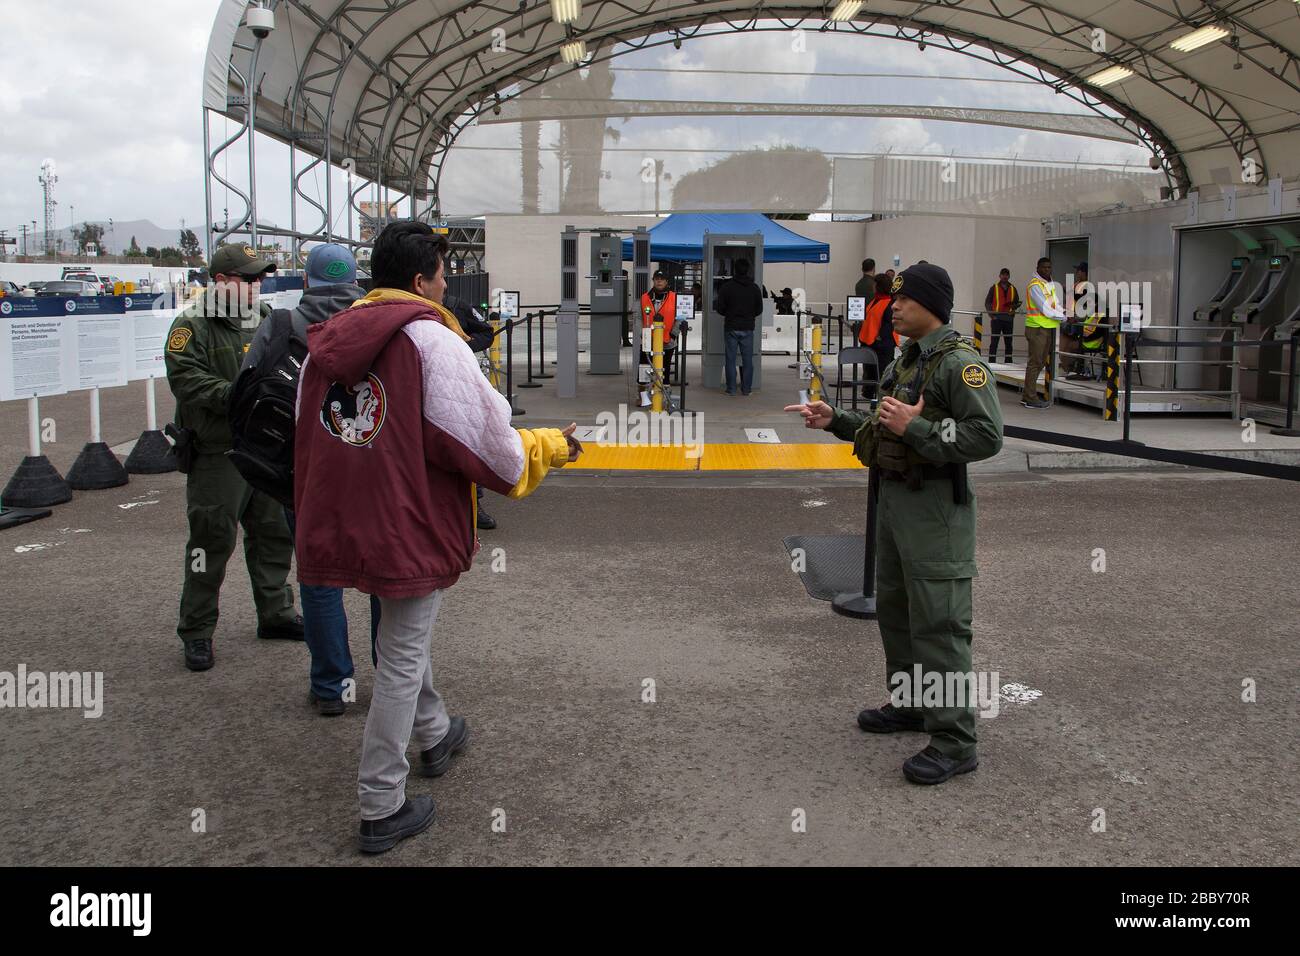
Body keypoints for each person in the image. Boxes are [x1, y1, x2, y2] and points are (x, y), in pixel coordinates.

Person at [293, 221, 581, 854]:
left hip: (340, 515)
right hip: (406, 522)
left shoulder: (328, 342)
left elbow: (307, 436)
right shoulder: (431, 341)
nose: (448, 287)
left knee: (403, 639)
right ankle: (380, 801)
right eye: (444, 276)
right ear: (422, 281)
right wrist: (555, 446)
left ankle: (435, 732)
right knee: (399, 654)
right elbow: (492, 449)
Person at [785, 263, 1003, 786]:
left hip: (934, 517)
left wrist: (920, 426)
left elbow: (987, 435)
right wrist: (834, 418)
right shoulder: (908, 361)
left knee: (940, 628)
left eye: (905, 300)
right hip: (895, 510)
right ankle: (911, 705)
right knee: (899, 617)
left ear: (932, 306)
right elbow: (882, 426)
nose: (895, 307)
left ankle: (954, 741)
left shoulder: (960, 365)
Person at [165, 244, 302, 672]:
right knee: (211, 539)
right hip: (218, 453)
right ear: (222, 282)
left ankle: (275, 613)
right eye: (248, 278)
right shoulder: (191, 325)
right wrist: (242, 398)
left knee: (273, 532)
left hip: (263, 449)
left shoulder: (265, 319)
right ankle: (197, 630)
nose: (257, 285)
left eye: (259, 278)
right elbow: (186, 380)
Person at [241, 243, 365, 713]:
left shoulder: (279, 325)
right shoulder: (381, 327)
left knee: (318, 579)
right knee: (380, 576)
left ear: (307, 281)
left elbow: (246, 392)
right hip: (367, 472)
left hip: (302, 473)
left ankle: (331, 687)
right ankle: (392, 674)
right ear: (355, 280)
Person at [442, 291, 500, 530]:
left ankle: (474, 505)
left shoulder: (458, 305)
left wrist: (464, 346)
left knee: (468, 444)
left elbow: (486, 332)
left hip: (460, 388)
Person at [714, 258, 763, 395]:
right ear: (748, 270)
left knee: (730, 359)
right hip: (748, 327)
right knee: (747, 360)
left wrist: (729, 314)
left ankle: (731, 389)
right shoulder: (754, 288)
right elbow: (759, 309)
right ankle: (746, 389)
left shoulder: (727, 287)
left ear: (734, 269)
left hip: (731, 327)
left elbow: (720, 308)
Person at [1022, 256, 1065, 408]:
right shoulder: (1035, 285)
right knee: (1035, 363)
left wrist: (1064, 312)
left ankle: (1028, 394)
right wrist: (1064, 317)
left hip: (1046, 327)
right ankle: (1030, 398)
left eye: (1049, 267)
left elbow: (1055, 304)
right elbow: (1045, 308)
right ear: (1038, 268)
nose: (1047, 270)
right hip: (1037, 328)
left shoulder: (1048, 283)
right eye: (1044, 267)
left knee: (1039, 363)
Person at [858, 272, 900, 390]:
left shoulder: (889, 303)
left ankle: (880, 397)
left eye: (874, 283)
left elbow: (888, 324)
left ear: (879, 285)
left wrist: (879, 338)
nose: (872, 286)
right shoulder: (875, 300)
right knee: (870, 373)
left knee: (882, 374)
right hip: (870, 343)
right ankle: (871, 396)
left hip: (881, 346)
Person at [639, 270, 677, 383]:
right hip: (648, 341)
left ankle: (663, 395)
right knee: (644, 370)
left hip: (667, 341)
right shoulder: (644, 297)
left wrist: (673, 335)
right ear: (653, 281)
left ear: (666, 281)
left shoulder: (674, 297)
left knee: (664, 371)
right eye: (657, 279)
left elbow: (680, 318)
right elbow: (637, 318)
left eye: (662, 279)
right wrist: (643, 335)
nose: (659, 281)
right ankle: (644, 397)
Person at [983, 268, 1019, 364]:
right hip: (997, 319)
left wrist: (1013, 312)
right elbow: (987, 303)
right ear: (1000, 276)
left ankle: (1008, 362)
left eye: (1006, 275)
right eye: (1003, 274)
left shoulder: (1013, 288)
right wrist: (992, 315)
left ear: (1009, 276)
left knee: (1008, 343)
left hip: (1008, 319)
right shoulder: (994, 288)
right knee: (994, 342)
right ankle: (991, 362)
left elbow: (1016, 302)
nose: (1005, 276)